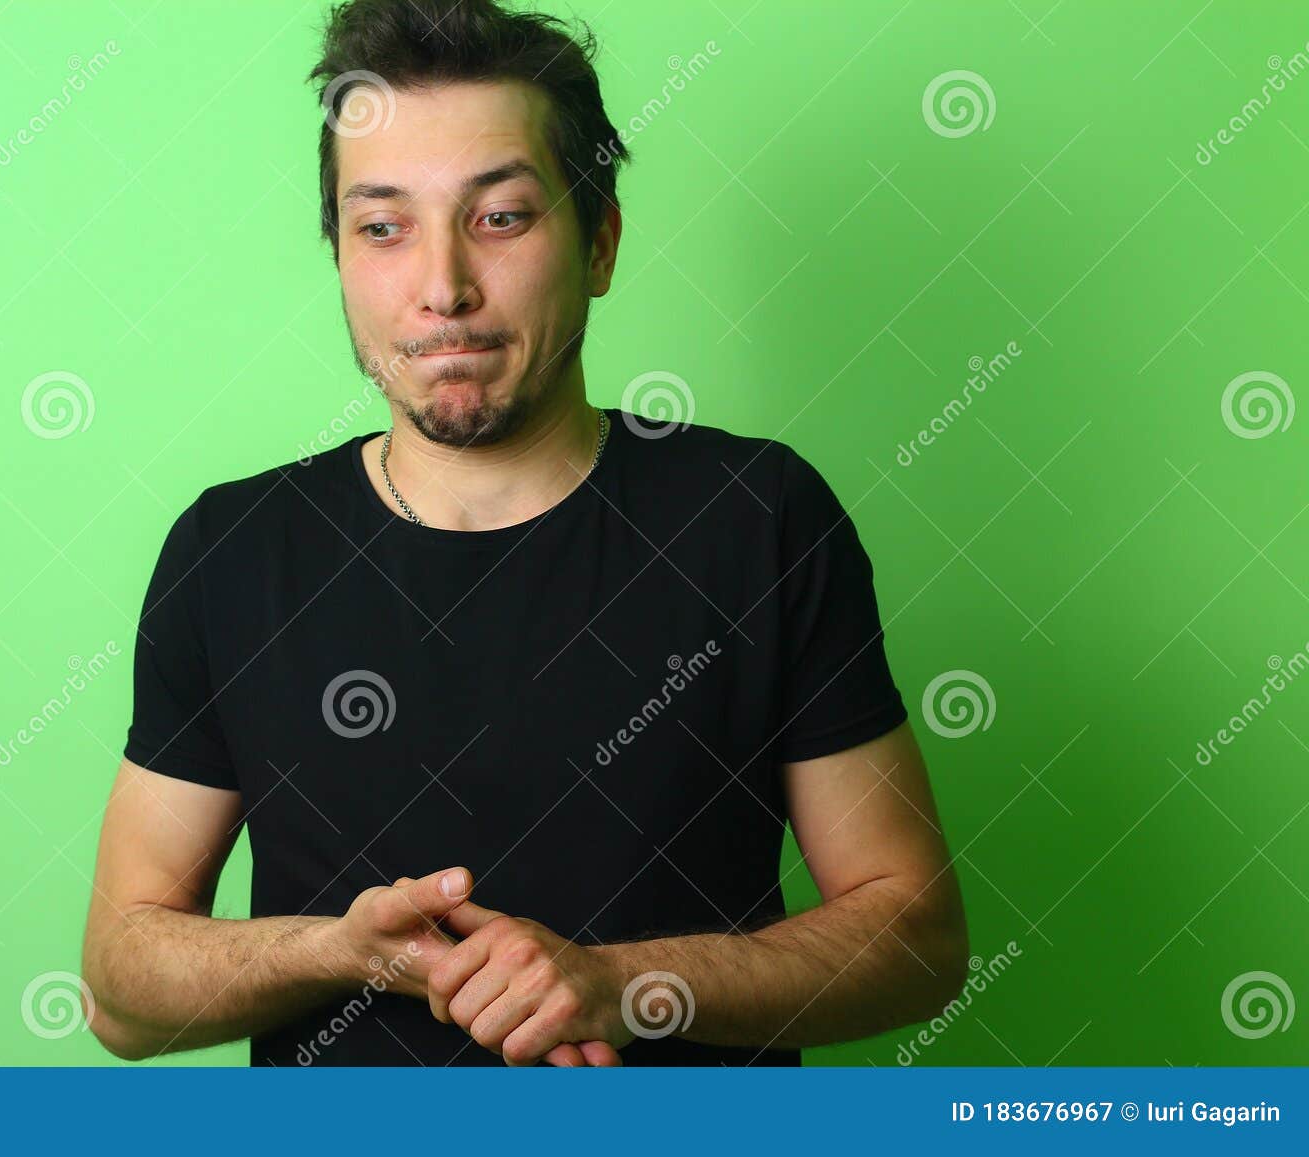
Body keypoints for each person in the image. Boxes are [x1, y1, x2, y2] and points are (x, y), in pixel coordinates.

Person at [80, 0, 968, 1067]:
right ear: (340, 257)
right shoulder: (233, 549)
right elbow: (121, 994)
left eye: (500, 217)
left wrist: (623, 986)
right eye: (381, 226)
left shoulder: (758, 516)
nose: (442, 288)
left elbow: (918, 939)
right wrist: (343, 951)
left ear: (598, 242)